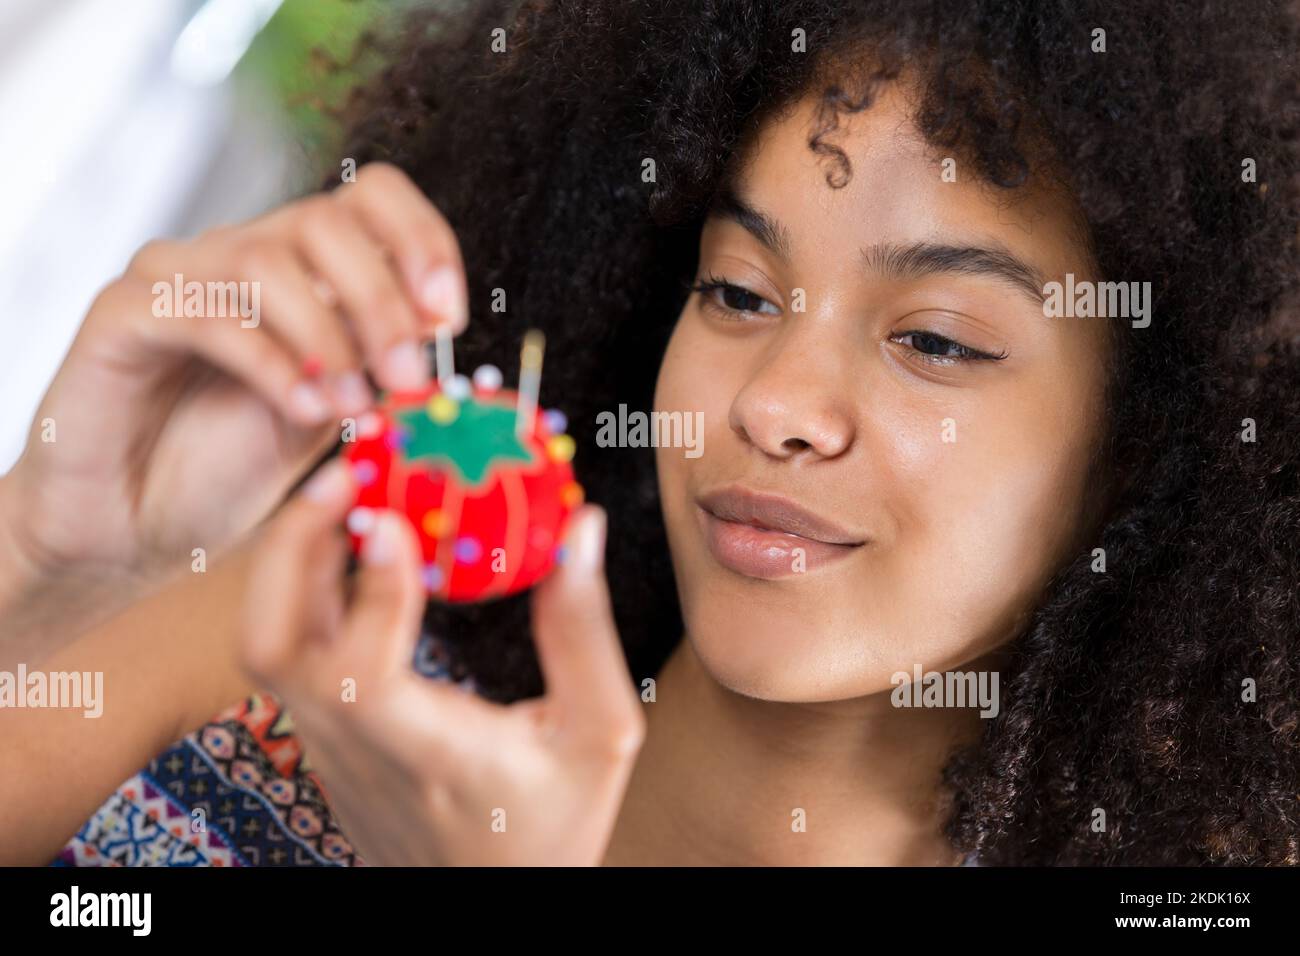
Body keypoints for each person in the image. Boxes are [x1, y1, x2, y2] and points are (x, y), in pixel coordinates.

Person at [7, 0, 1299, 866]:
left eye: (938, 340)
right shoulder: (329, 635)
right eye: (738, 292)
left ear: (1147, 449)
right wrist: (50, 560)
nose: (773, 405)